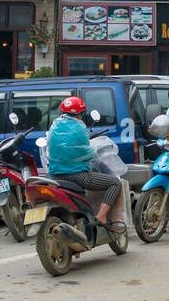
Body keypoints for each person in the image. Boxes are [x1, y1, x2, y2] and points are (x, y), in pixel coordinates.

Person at [47, 96, 123, 227]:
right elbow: (88, 154)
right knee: (115, 183)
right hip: (77, 176)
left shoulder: (54, 127)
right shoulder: (79, 128)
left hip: (54, 175)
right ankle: (101, 216)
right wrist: (94, 152)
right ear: (80, 114)